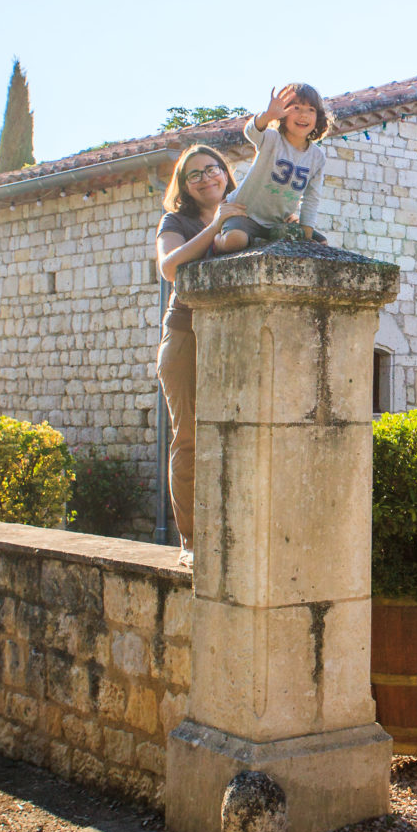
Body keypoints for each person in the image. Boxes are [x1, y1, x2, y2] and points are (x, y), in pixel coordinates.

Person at [154, 144, 243, 557]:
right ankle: (191, 541)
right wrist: (215, 228)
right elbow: (170, 268)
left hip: (234, 337)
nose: (207, 177)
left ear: (225, 173)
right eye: (195, 175)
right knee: (189, 437)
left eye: (213, 169)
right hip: (186, 337)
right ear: (185, 186)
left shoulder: (245, 214)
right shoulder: (177, 220)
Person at [212, 83, 331, 252]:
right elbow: (251, 131)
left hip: (278, 223)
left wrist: (306, 234)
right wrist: (267, 116)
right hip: (245, 215)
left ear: (318, 117)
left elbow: (312, 197)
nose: (303, 115)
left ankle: (258, 241)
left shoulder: (317, 157)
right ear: (283, 114)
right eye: (296, 108)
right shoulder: (271, 139)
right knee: (235, 240)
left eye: (311, 109)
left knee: (321, 245)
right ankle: (217, 239)